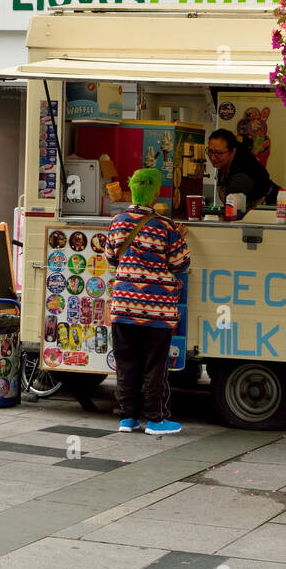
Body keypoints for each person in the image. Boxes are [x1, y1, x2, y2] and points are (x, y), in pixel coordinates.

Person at [105, 168, 190, 435]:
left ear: (133, 188)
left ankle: (127, 418)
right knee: (155, 365)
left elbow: (110, 256)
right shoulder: (165, 226)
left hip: (124, 305)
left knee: (126, 363)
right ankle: (155, 419)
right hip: (156, 309)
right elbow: (181, 263)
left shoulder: (118, 221)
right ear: (154, 193)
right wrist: (180, 238)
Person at [208, 128, 280, 218]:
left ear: (232, 151)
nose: (213, 157)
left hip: (269, 212)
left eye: (218, 153)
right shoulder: (225, 163)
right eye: (210, 151)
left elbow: (234, 213)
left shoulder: (241, 174)